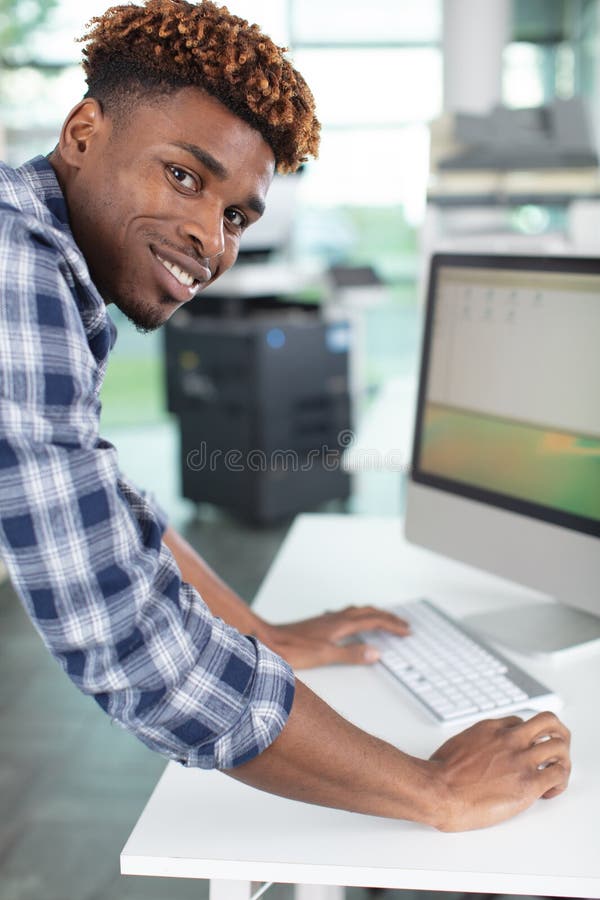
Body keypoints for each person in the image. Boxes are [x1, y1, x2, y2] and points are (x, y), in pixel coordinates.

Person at [0, 0, 570, 832]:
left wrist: (261, 630)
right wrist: (431, 790)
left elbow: (98, 500)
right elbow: (123, 636)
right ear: (84, 131)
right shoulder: (16, 276)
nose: (208, 237)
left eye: (235, 215)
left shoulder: (43, 259)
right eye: (185, 176)